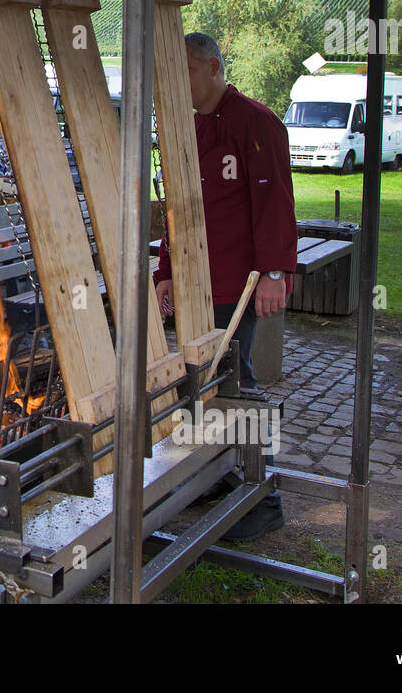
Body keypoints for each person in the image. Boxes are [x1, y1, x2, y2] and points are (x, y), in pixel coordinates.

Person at [153, 32, 297, 541]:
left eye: (186, 72)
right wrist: (166, 269)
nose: (179, 83)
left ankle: (265, 497)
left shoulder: (257, 124)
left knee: (236, 379)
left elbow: (275, 203)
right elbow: (178, 209)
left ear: (213, 67)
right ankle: (217, 474)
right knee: (202, 378)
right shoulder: (186, 129)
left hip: (240, 281)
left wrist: (276, 272)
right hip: (195, 278)